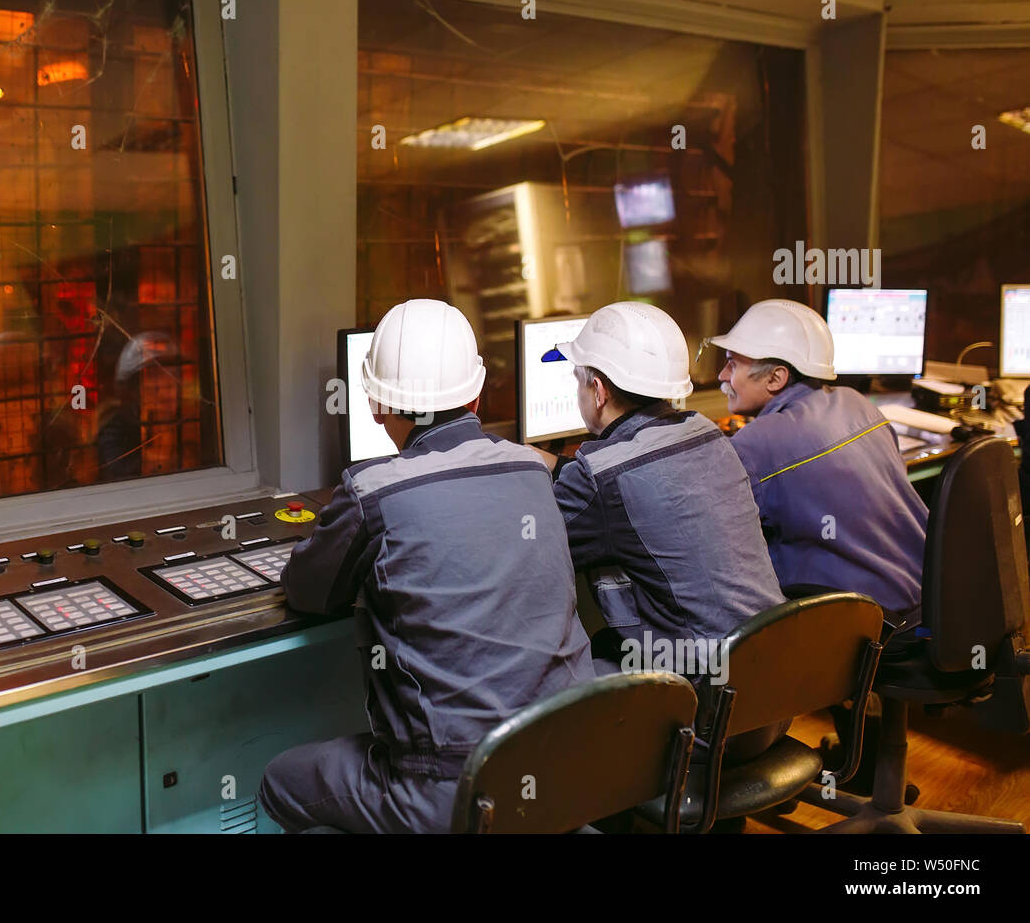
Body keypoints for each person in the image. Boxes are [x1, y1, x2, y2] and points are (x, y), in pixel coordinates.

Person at [257, 299, 596, 834]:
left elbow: (309, 593)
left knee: (279, 779)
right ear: (477, 396)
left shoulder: (373, 491)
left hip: (452, 787)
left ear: (373, 405)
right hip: (564, 763)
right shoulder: (534, 469)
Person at [537, 302, 787, 764]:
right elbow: (641, 483)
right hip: (770, 698)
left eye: (578, 380)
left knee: (540, 689)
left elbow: (531, 548)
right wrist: (564, 469)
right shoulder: (711, 436)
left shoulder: (597, 477)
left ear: (596, 390)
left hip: (703, 716)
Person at [710, 299, 928, 646]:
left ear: (776, 377)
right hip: (930, 600)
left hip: (876, 624)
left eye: (732, 365)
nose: (722, 377)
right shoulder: (857, 402)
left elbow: (715, 533)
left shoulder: (756, 443)